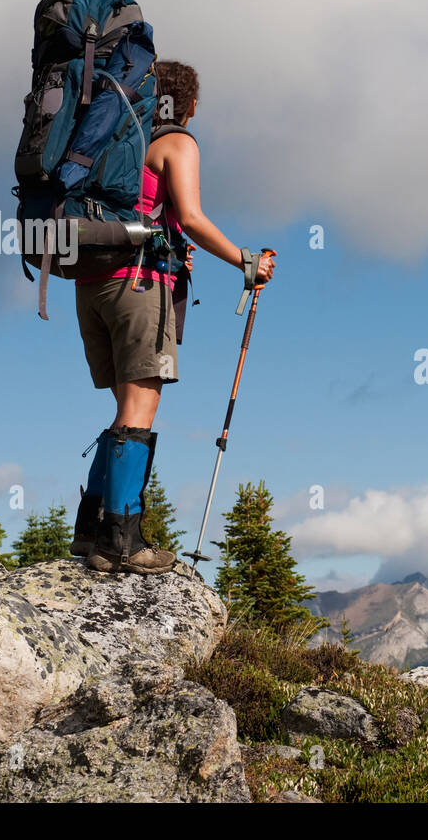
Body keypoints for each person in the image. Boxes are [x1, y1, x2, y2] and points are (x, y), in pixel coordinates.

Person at [69, 60, 275, 574]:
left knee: (126, 409)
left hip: (90, 286)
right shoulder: (175, 142)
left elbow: (153, 216)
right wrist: (246, 262)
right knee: (140, 409)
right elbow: (192, 217)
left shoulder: (108, 139)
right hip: (139, 287)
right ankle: (121, 542)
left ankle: (90, 530)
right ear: (191, 106)